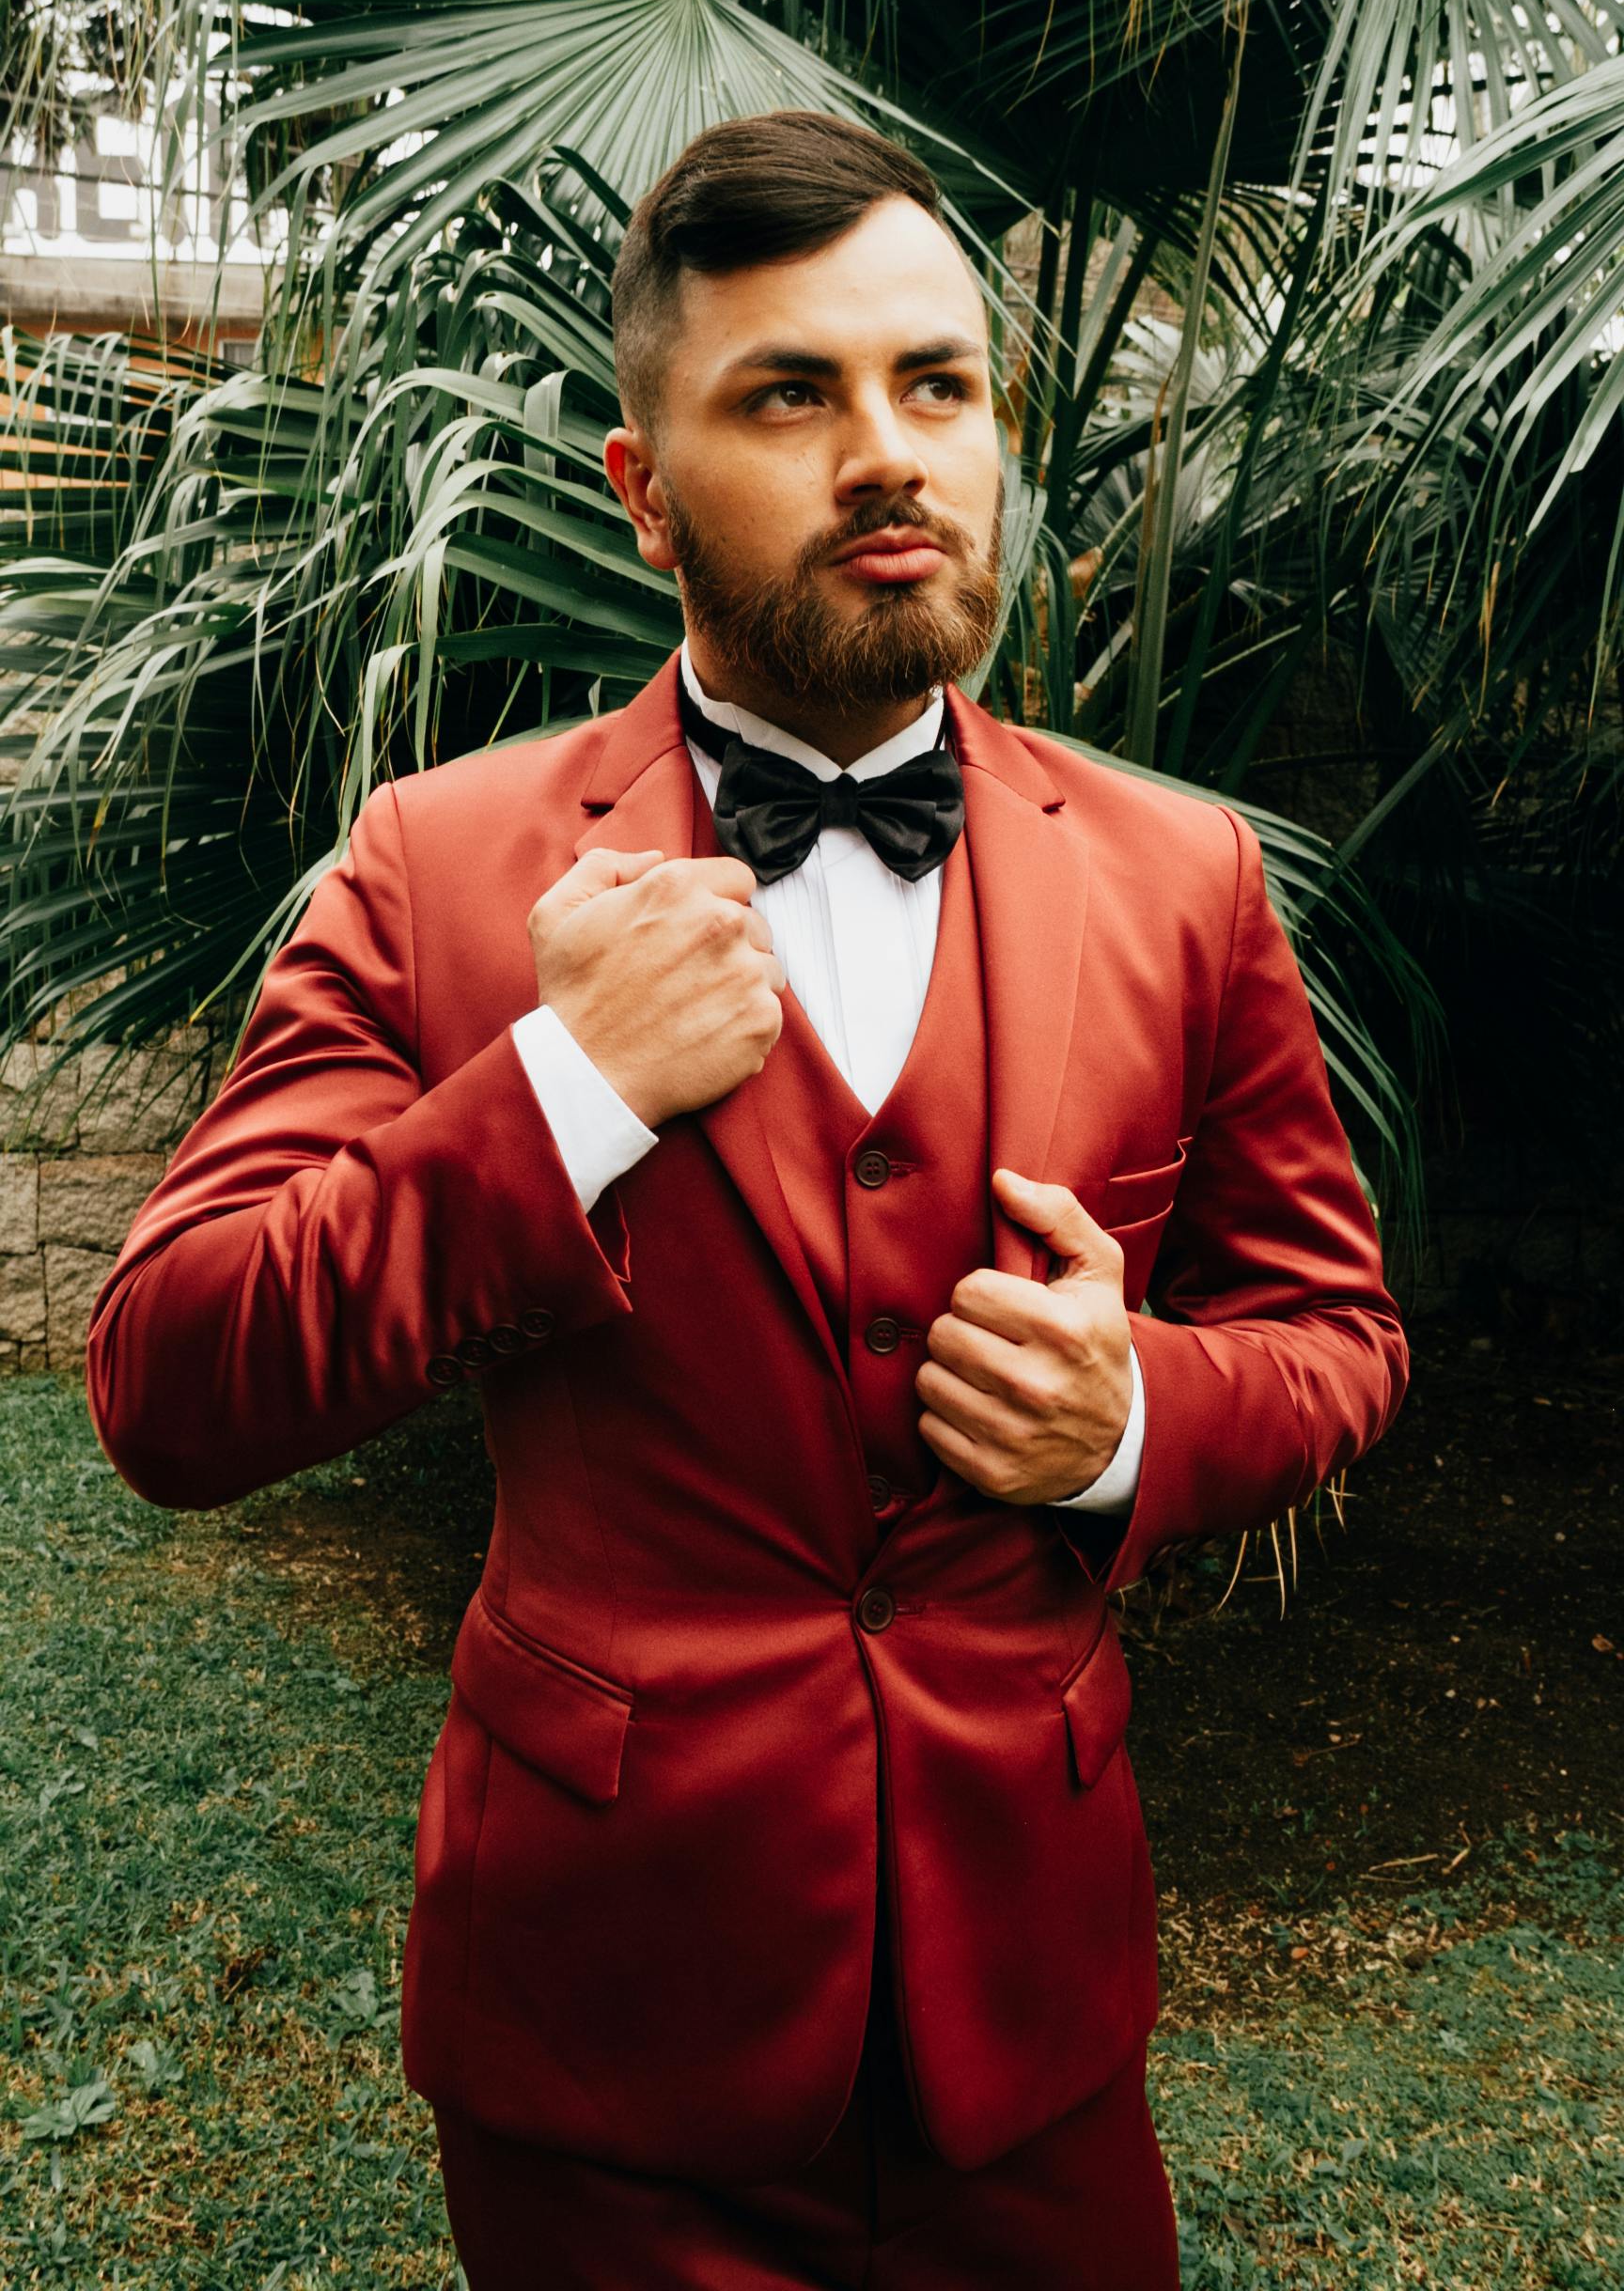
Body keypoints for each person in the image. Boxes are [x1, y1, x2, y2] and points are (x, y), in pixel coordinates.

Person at [86, 110, 1409, 2287]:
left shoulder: (1188, 878)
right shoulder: (439, 867)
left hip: (1032, 2031)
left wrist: (1138, 1425)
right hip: (608, 2038)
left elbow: (1338, 1344)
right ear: (642, 490)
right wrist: (562, 1091)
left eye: (937, 385)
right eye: (788, 396)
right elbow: (167, 1378)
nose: (886, 453)